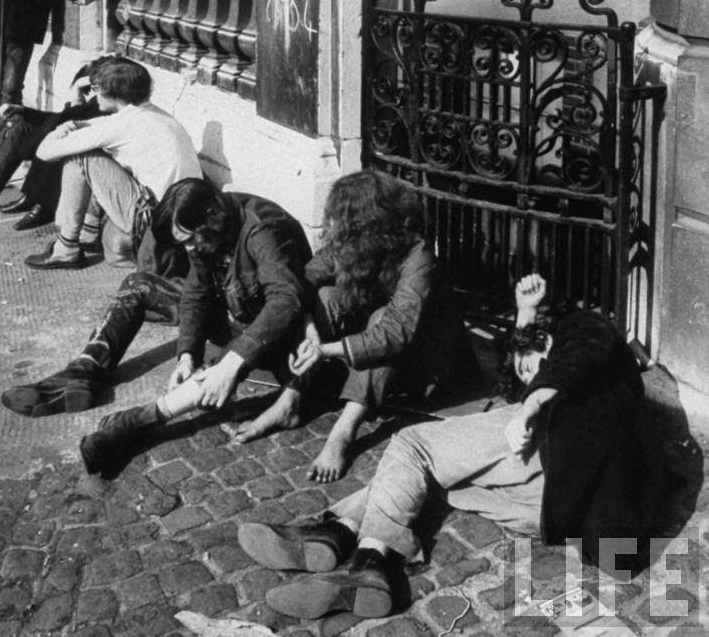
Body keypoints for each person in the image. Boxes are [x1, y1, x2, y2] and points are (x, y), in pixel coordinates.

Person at [238, 274, 663, 622]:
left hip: (560, 466)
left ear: (548, 343)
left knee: (411, 445)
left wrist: (535, 400)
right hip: (563, 513)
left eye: (533, 368)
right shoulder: (596, 392)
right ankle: (337, 530)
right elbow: (535, 375)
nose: (529, 384)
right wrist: (525, 316)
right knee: (428, 480)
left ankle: (371, 563)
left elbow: (578, 354)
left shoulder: (585, 331)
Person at [225, 170, 475, 483]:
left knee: (382, 320)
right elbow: (303, 281)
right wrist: (310, 328)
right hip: (368, 342)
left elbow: (395, 333)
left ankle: (342, 433)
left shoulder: (418, 254)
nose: (336, 231)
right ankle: (291, 400)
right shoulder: (353, 242)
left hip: (422, 359)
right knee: (327, 296)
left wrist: (324, 350)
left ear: (371, 225)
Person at [76, 177, 312, 475]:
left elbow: (285, 302)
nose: (189, 250)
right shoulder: (207, 233)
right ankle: (87, 368)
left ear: (211, 219)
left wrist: (229, 367)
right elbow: (196, 291)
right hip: (239, 315)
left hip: (280, 332)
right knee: (139, 285)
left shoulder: (262, 230)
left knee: (218, 372)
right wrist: (187, 354)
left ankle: (141, 420)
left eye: (189, 240)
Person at [0, 176, 198, 418]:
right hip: (210, 296)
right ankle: (82, 371)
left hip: (232, 316)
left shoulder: (253, 229)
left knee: (143, 282)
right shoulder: (201, 223)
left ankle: (83, 372)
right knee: (138, 284)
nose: (191, 248)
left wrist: (191, 353)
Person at [24, 58, 201, 271]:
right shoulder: (153, 115)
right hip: (181, 217)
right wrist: (78, 124)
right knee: (99, 157)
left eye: (96, 89)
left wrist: (62, 130)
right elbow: (105, 125)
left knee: (81, 156)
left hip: (155, 221)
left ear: (114, 93)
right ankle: (88, 231)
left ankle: (67, 248)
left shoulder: (123, 124)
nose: (93, 94)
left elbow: (44, 152)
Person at [0, 56, 113, 225]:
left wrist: (76, 90)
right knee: (14, 122)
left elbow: (64, 118)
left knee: (19, 128)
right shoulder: (100, 99)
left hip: (72, 142)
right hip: (65, 133)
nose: (93, 92)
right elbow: (69, 115)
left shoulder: (107, 104)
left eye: (95, 88)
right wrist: (22, 110)